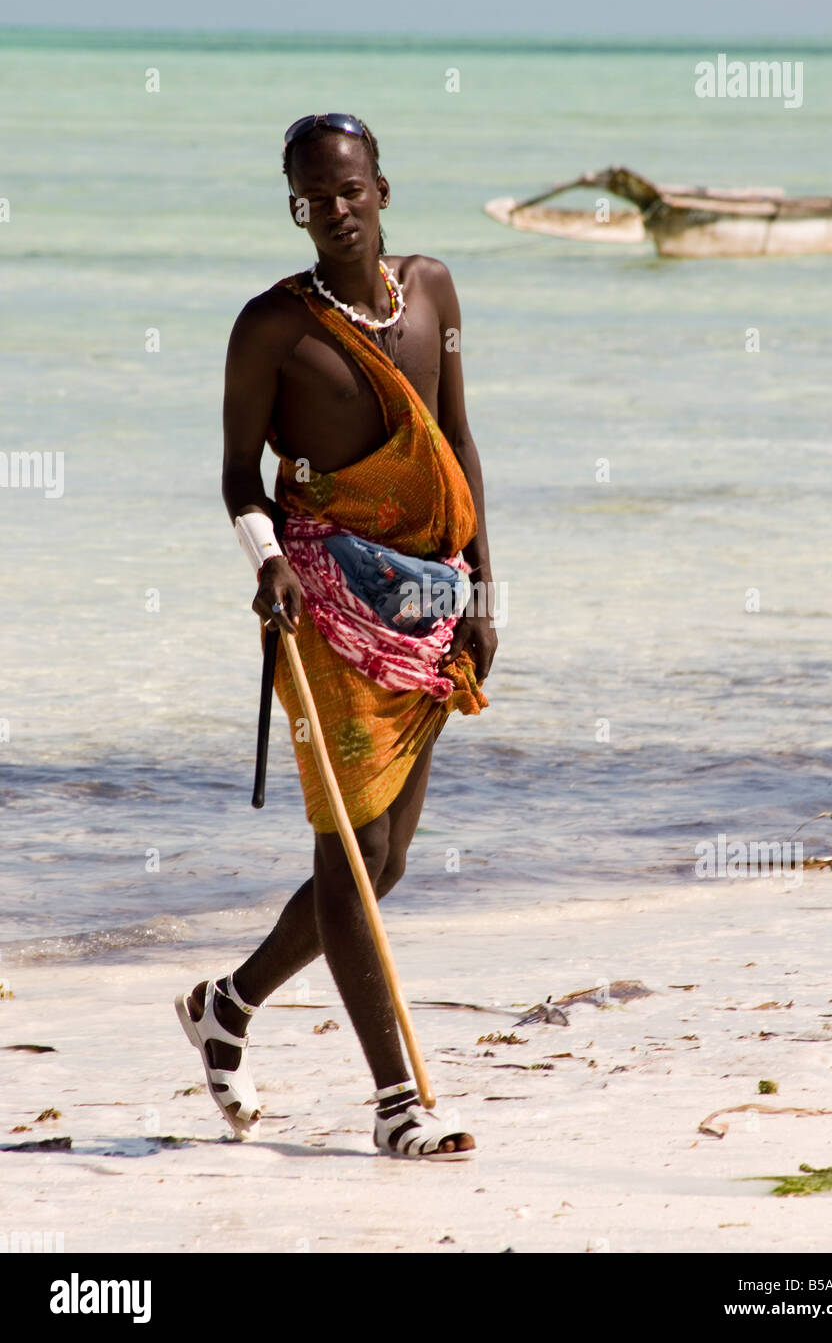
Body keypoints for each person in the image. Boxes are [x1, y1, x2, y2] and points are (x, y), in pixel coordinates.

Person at [175, 113, 497, 1159]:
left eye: (350, 189)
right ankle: (399, 1098)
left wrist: (484, 593)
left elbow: (454, 441)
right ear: (295, 206)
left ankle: (227, 1004)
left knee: (389, 857)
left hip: (430, 604)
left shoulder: (435, 291)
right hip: (321, 605)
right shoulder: (271, 327)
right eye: (313, 195)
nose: (335, 208)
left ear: (384, 190)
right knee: (351, 850)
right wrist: (263, 558)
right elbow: (236, 477)